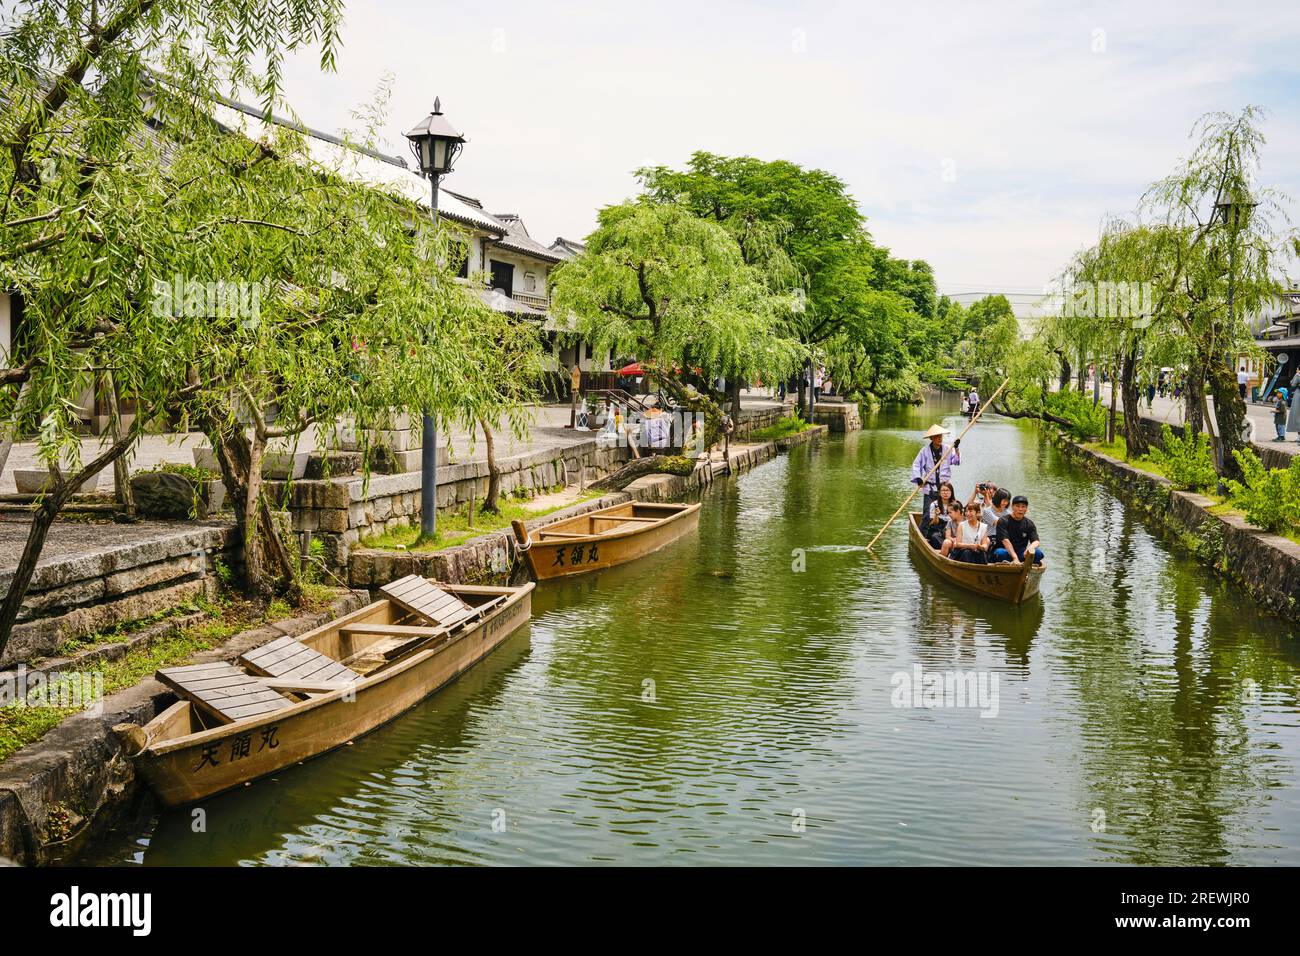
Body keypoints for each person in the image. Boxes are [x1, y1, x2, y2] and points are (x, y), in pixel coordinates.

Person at [911, 425, 961, 521]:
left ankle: (944, 532)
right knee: (927, 515)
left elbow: (956, 462)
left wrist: (956, 448)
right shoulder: (924, 451)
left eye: (941, 436)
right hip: (930, 488)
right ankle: (925, 533)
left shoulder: (948, 449)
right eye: (937, 437)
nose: (939, 439)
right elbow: (916, 465)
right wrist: (918, 478)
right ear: (931, 438)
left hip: (944, 488)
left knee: (947, 514)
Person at [991, 495, 1044, 565]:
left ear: (1026, 509)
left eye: (1023, 507)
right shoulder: (1003, 521)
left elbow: (1036, 541)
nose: (1020, 509)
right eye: (1017, 506)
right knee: (1000, 553)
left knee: (1038, 553)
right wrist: (1015, 558)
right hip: (1006, 551)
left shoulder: (1029, 524)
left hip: (1021, 553)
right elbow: (1005, 540)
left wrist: (1029, 549)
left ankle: (1026, 568)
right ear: (1012, 507)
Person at [923, 481, 960, 549]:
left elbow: (960, 518)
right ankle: (947, 549)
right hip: (938, 529)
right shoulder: (934, 504)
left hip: (953, 527)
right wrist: (936, 515)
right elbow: (933, 523)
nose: (945, 492)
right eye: (943, 490)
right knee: (935, 536)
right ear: (939, 492)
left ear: (951, 492)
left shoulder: (956, 504)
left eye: (947, 490)